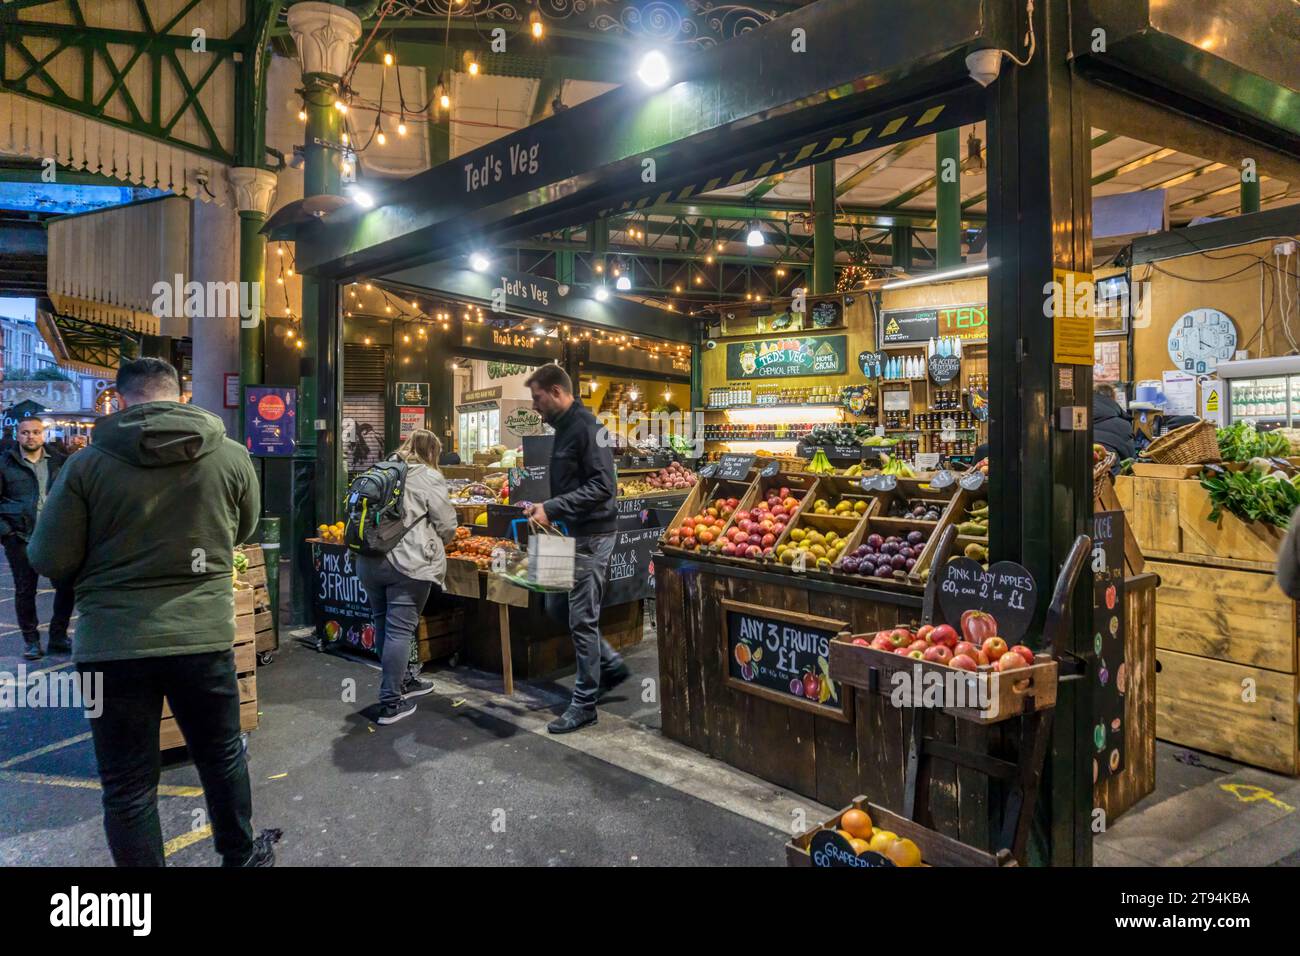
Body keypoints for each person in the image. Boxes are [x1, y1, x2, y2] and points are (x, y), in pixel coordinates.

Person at [28, 358, 275, 867]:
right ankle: (241, 856)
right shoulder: (230, 456)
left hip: (110, 644)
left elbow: (49, 557)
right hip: (202, 636)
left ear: (120, 400)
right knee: (222, 755)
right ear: (181, 395)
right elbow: (245, 530)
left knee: (127, 785)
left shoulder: (85, 465)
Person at [522, 363, 629, 734]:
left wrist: (551, 508)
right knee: (554, 603)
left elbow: (603, 487)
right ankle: (611, 665)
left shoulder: (588, 428)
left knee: (581, 618)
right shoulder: (564, 428)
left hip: (593, 534)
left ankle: (584, 704)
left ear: (556, 392)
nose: (534, 406)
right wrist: (547, 510)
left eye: (537, 398)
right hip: (569, 532)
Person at [355, 429, 458, 726]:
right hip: (406, 564)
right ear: (433, 452)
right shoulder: (427, 475)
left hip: (368, 559)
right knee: (400, 631)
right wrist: (442, 540)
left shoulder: (382, 469)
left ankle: (404, 682)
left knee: (384, 624)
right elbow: (447, 523)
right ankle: (390, 702)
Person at [0, 417, 76, 659]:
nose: (30, 436)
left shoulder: (60, 463)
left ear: (43, 434)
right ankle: (31, 641)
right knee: (25, 591)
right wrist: (7, 533)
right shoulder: (5, 465)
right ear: (18, 435)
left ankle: (58, 636)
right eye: (25, 433)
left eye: (35, 432)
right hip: (20, 537)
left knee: (66, 588)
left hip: (56, 537)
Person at [1093, 383, 1136, 462]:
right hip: (1111, 471)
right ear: (1113, 398)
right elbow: (1130, 458)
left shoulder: (1080, 420)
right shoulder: (1124, 425)